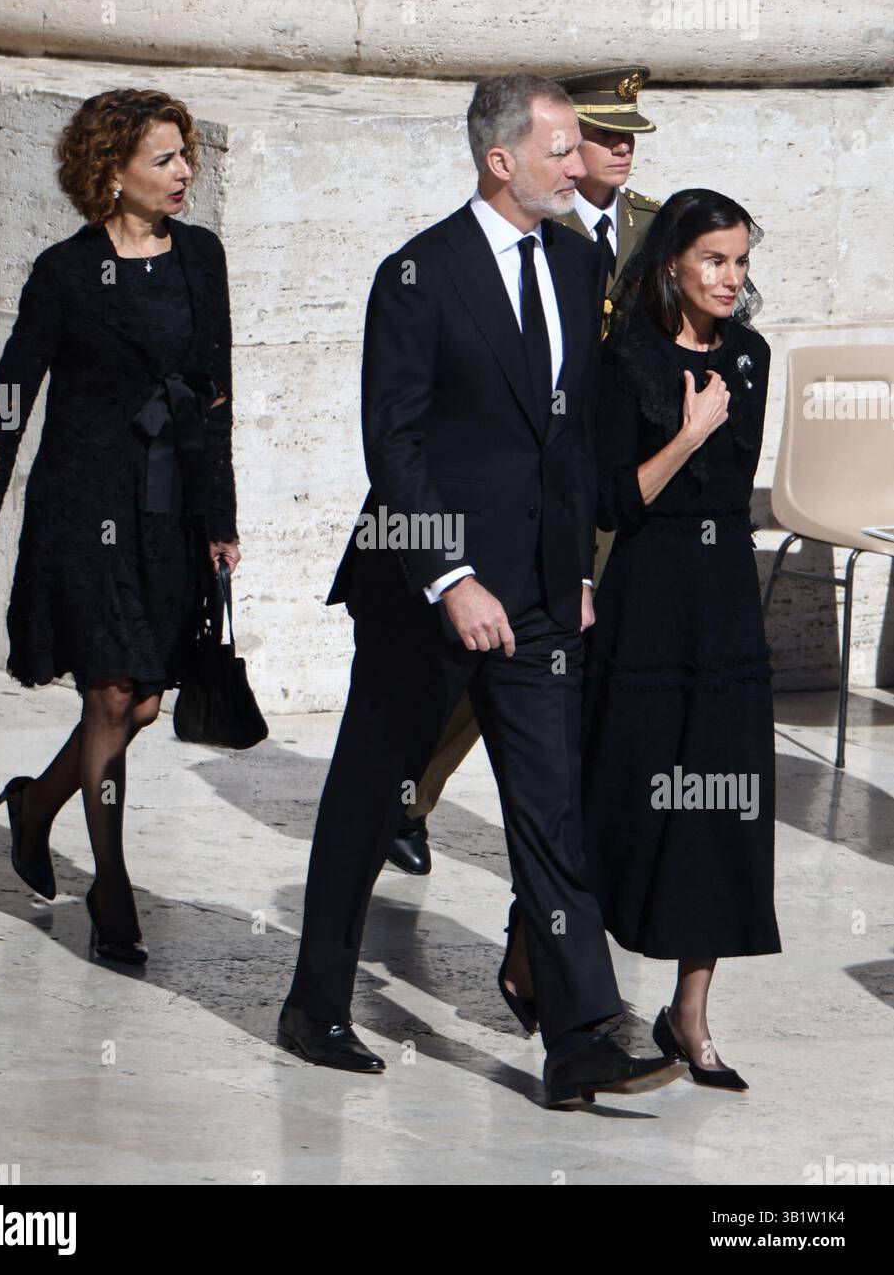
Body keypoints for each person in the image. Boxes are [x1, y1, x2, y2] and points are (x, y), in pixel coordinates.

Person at [278, 73, 685, 1109]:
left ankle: (582, 1029)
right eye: (558, 148)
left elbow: (576, 434)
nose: (576, 163)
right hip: (425, 588)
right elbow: (395, 448)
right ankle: (315, 1001)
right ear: (499, 159)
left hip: (544, 591)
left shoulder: (579, 254)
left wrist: (575, 569)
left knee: (549, 812)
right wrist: (450, 577)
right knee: (374, 793)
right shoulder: (416, 274)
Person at [0, 89, 241, 965]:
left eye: (187, 155)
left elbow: (215, 399)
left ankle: (36, 805)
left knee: (145, 700)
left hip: (169, 509)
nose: (185, 172)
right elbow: (9, 400)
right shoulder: (65, 274)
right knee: (110, 694)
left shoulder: (202, 258)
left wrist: (220, 518)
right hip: (85, 507)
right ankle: (110, 883)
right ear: (111, 174)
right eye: (164, 159)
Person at [387, 67, 660, 905]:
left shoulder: (650, 230)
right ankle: (405, 803)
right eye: (585, 140)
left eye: (618, 141)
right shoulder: (453, 257)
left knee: (561, 731)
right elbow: (398, 435)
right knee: (474, 691)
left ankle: (562, 970)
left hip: (608, 487)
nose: (602, 156)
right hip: (503, 518)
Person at [579, 188, 781, 1089]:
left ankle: (689, 1014)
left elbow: (733, 493)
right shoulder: (625, 362)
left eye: (740, 260)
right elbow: (614, 502)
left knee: (720, 808)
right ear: (672, 265)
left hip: (726, 602)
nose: (731, 278)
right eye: (714, 260)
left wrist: (712, 433)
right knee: (618, 793)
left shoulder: (750, 355)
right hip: (648, 597)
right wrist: (689, 434)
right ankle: (532, 952)